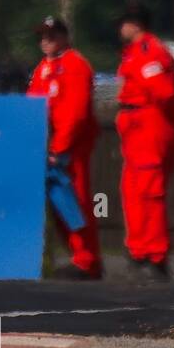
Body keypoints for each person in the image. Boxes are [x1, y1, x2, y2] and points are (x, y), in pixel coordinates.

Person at [115, 4, 174, 280]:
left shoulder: (149, 52)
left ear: (135, 24)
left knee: (150, 190)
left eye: (124, 23)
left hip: (150, 125)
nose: (120, 29)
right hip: (138, 127)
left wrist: (171, 120)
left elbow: (165, 92)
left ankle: (155, 255)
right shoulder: (136, 52)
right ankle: (139, 250)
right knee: (133, 189)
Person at [27, 16, 102, 279]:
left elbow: (76, 112)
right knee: (60, 206)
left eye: (52, 35)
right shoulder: (43, 68)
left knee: (76, 203)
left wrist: (60, 148)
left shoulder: (75, 65)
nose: (46, 40)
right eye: (43, 36)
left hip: (69, 149)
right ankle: (75, 256)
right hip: (47, 149)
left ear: (64, 36)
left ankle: (87, 260)